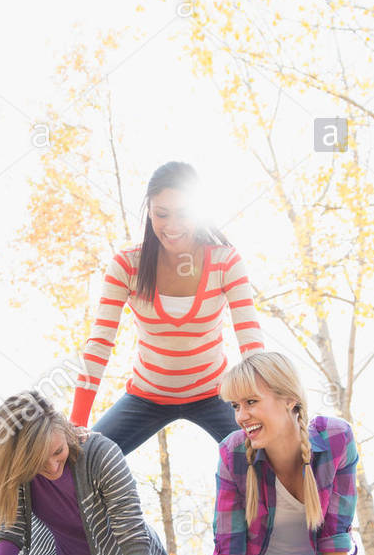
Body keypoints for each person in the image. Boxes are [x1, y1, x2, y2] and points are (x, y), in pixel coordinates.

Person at [69, 161, 265, 455]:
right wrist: (76, 424)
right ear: (149, 210)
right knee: (83, 462)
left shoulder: (226, 262)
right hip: (146, 396)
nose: (172, 226)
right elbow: (99, 344)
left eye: (184, 214)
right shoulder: (127, 265)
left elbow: (251, 343)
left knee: (262, 455)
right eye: (162, 214)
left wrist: (262, 408)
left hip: (216, 393)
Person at [203, 351, 357, 555]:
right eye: (236, 406)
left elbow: (335, 535)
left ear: (289, 399)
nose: (241, 416)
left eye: (251, 402)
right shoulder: (232, 454)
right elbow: (229, 548)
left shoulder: (336, 439)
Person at [0, 391, 169, 555]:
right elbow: (8, 540)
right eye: (38, 463)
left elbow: (131, 532)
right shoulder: (19, 479)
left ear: (64, 431)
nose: (52, 467)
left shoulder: (99, 452)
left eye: (57, 451)